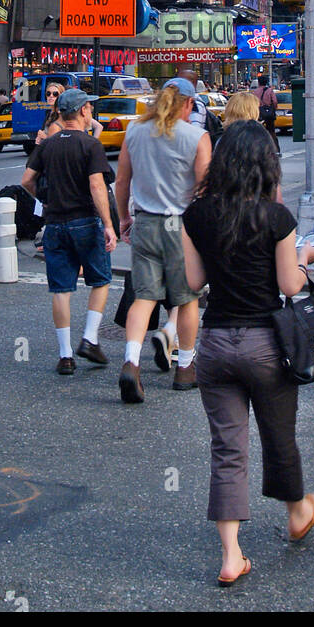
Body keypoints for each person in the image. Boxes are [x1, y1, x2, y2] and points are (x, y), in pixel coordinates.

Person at [182, 121, 314, 585]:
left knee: (227, 448)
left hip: (217, 343)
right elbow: (289, 285)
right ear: (267, 165)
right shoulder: (276, 218)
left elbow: (192, 282)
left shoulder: (197, 214)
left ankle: (230, 555)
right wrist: (304, 260)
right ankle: (298, 511)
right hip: (267, 343)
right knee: (279, 435)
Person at [114, 79, 211, 402]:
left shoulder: (134, 132)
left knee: (144, 297)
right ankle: (185, 368)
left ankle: (131, 362)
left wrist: (124, 219)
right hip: (181, 226)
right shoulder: (197, 137)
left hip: (145, 222)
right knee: (186, 298)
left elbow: (122, 181)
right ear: (186, 105)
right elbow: (204, 190)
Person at [21, 89, 118, 374]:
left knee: (61, 289)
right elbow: (97, 186)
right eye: (89, 107)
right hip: (85, 220)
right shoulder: (90, 145)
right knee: (100, 279)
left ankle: (65, 355)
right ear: (84, 111)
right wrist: (109, 225)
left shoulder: (48, 145)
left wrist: (46, 199)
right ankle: (89, 337)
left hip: (54, 223)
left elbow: (27, 180)